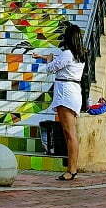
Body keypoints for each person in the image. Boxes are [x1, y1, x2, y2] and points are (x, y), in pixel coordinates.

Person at [37, 21, 86, 181]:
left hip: (65, 93)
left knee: (69, 133)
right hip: (73, 92)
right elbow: (59, 64)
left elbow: (51, 68)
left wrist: (49, 60)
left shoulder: (67, 54)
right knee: (69, 133)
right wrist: (49, 58)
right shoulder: (79, 55)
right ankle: (71, 168)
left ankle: (71, 170)